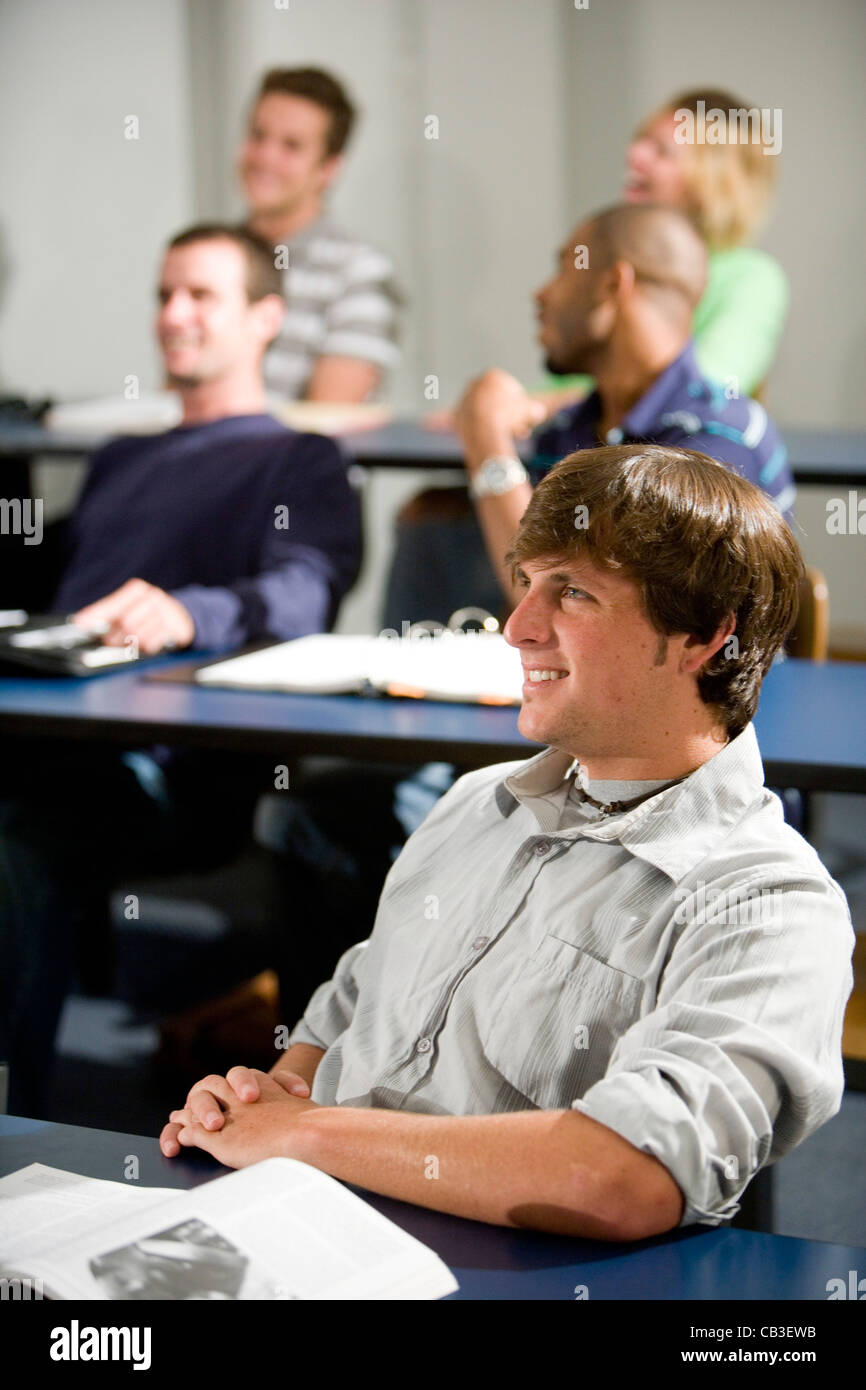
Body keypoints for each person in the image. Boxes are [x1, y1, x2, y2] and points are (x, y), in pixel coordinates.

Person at [160, 443, 853, 1240]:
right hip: (308, 1235)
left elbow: (625, 1175)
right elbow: (345, 1011)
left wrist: (304, 1138)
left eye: (574, 594)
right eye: (527, 585)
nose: (519, 628)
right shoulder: (473, 804)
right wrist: (263, 1107)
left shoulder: (766, 907)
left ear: (703, 635)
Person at [0, 223, 362, 1116]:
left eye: (202, 295)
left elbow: (300, 597)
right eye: (165, 294)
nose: (174, 315)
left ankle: (14, 1123)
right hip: (46, 731)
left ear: (265, 317)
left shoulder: (299, 458)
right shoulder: (125, 455)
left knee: (17, 846)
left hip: (162, 769)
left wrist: (181, 613)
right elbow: (51, 582)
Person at [387, 203, 794, 623]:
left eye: (564, 268)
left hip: (669, 687)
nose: (540, 293)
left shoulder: (719, 437)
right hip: (577, 684)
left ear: (612, 284)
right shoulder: (568, 431)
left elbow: (577, 613)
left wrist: (487, 439)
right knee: (429, 523)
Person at [541, 85, 788, 409]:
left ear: (714, 181)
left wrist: (533, 409)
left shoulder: (753, 278)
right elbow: (568, 385)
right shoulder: (615, 267)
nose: (634, 154)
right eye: (640, 140)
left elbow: (701, 390)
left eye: (661, 151)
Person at [239, 67, 401, 402]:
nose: (266, 156)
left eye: (291, 146)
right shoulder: (212, 259)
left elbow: (327, 425)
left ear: (328, 168)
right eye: (257, 135)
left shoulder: (358, 272)